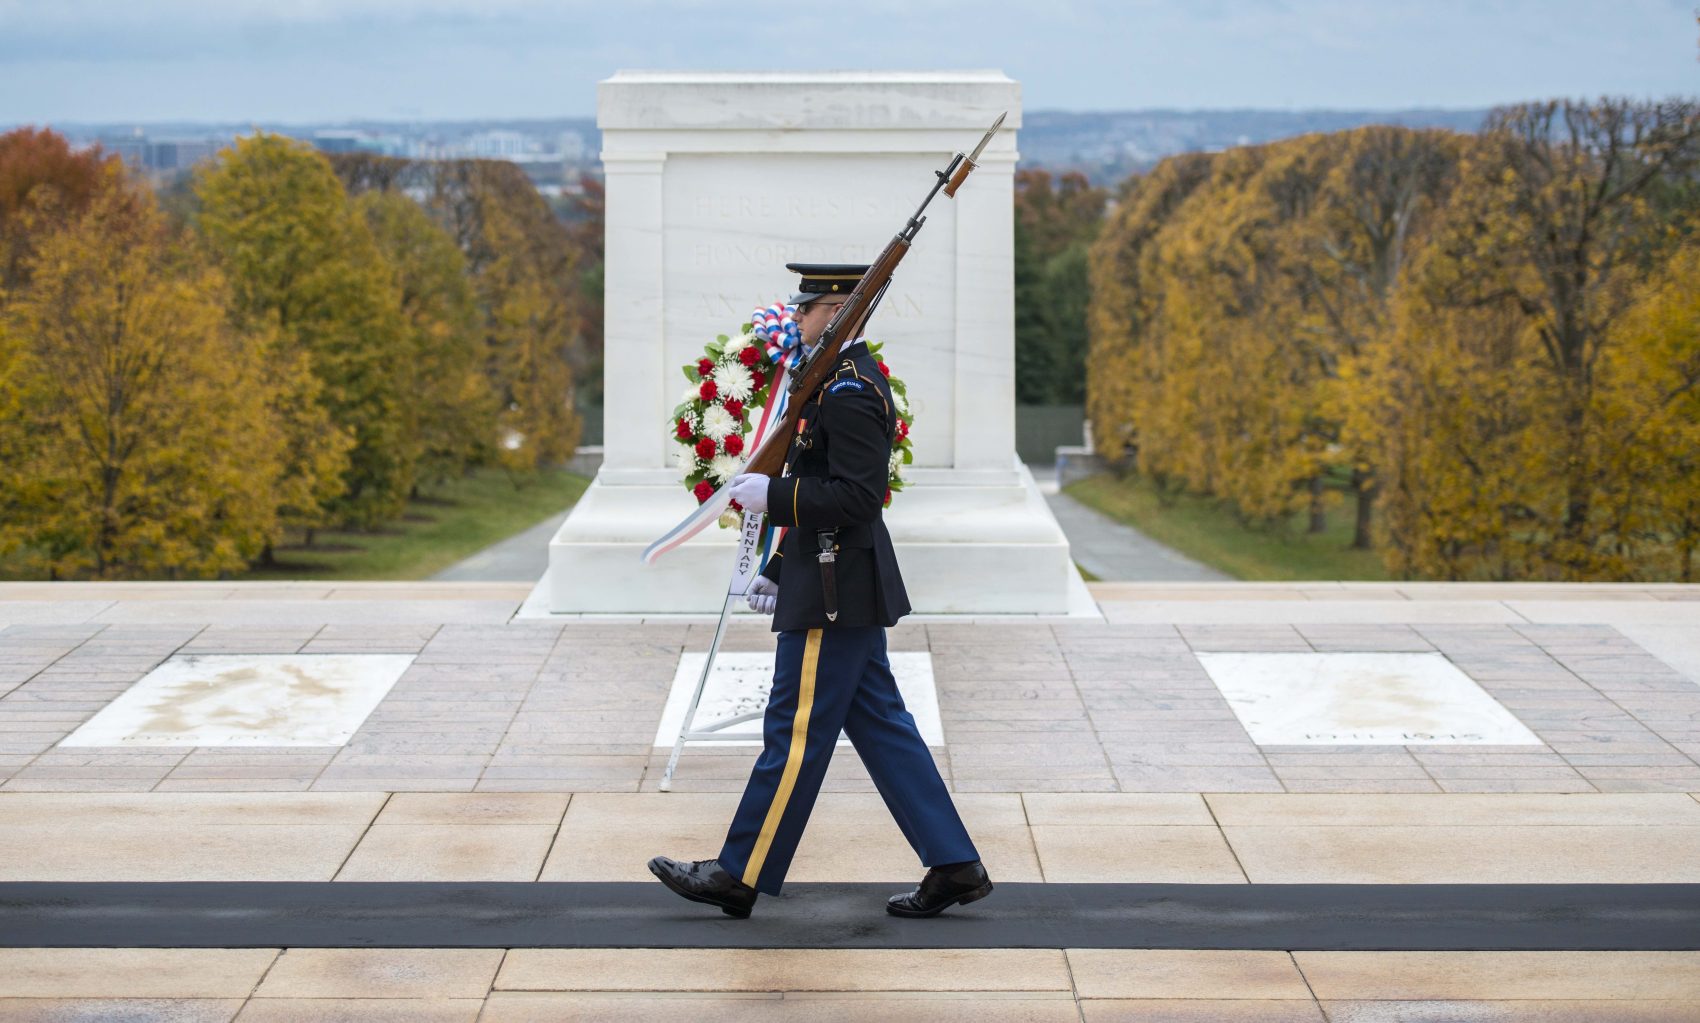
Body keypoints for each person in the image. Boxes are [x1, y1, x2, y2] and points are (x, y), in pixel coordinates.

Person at [647, 262, 992, 920]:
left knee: (794, 731)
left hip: (836, 590)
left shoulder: (850, 391)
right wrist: (779, 566)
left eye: (806, 308)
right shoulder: (831, 382)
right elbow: (821, 476)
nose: (795, 317)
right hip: (835, 578)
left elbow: (859, 497)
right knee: (884, 726)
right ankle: (955, 862)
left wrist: (772, 495)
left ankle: (738, 871)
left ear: (834, 313)